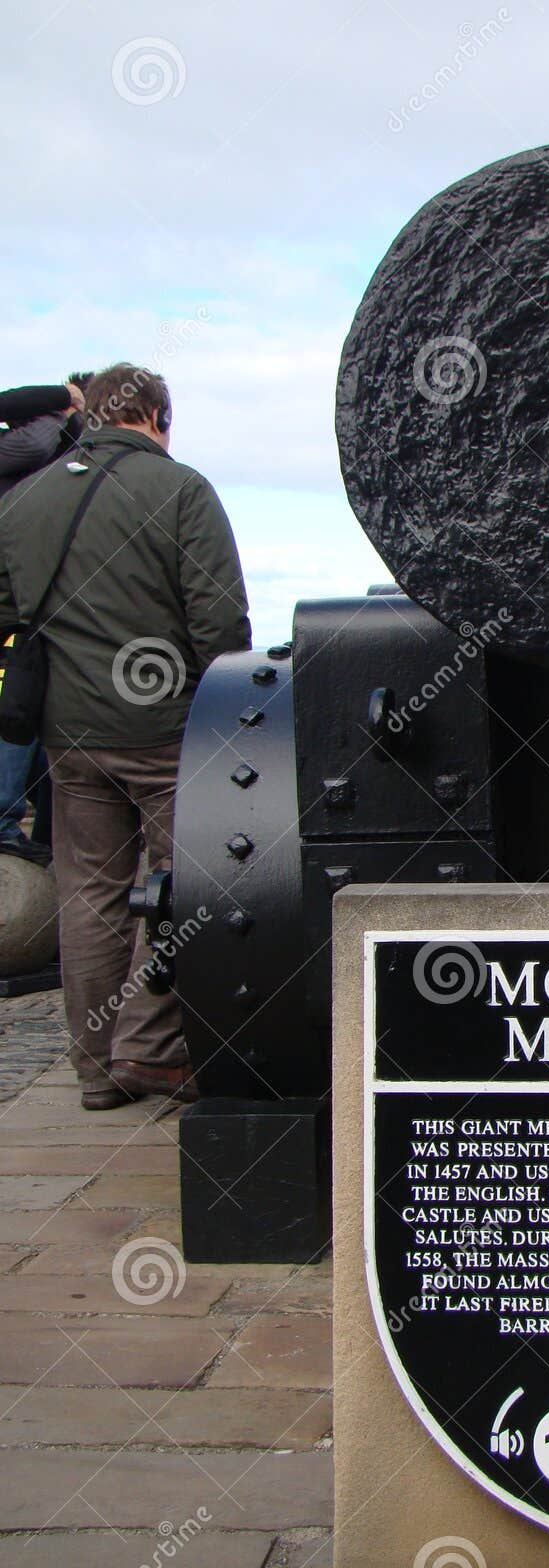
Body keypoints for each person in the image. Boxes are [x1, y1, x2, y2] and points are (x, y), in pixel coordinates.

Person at [0, 364, 251, 1108]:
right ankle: (148, 1046)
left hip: (68, 736)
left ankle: (97, 1071)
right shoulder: (179, 490)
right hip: (167, 729)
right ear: (155, 416)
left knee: (89, 895)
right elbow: (221, 627)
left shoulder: (26, 499)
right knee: (182, 885)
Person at [0, 377, 91, 863]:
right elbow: (39, 437)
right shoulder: (29, 452)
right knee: (15, 709)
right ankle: (5, 823)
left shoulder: (52, 461)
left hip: (36, 614)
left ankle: (37, 834)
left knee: (34, 726)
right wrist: (64, 401)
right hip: (20, 615)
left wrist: (69, 414)